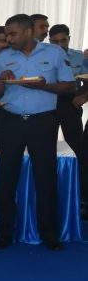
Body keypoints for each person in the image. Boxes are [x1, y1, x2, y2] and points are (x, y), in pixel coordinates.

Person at [0, 13, 75, 249]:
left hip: (42, 122)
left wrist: (44, 86)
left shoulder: (54, 53)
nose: (8, 38)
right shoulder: (2, 57)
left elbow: (69, 87)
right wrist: (2, 80)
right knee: (6, 179)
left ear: (28, 32)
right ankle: (3, 234)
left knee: (45, 178)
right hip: (10, 122)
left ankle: (49, 234)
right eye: (6, 34)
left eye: (12, 33)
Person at [48, 24, 88, 211]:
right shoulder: (45, 55)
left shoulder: (80, 56)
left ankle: (79, 196)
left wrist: (84, 96)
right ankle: (49, 193)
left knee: (76, 149)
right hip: (48, 105)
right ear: (50, 41)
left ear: (69, 38)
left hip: (71, 104)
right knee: (45, 149)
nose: (60, 44)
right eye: (55, 41)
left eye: (63, 40)